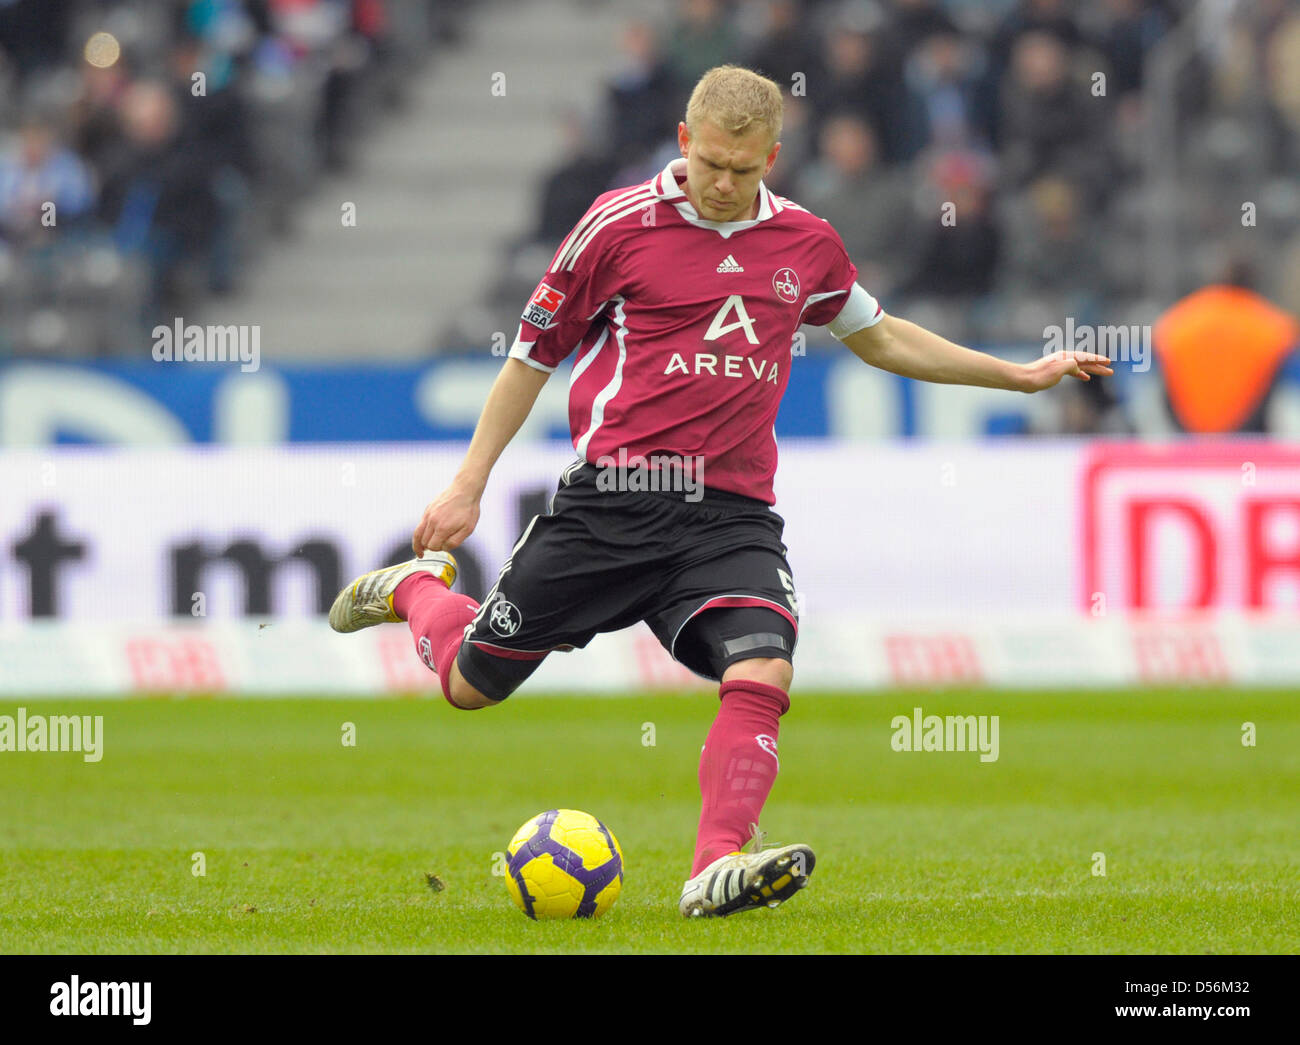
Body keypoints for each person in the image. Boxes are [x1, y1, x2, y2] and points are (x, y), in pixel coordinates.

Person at [329, 66, 1111, 918]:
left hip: (730, 516)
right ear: (684, 144)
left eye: (745, 169)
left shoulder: (807, 244)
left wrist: (1018, 375)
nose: (727, 184)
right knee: (470, 683)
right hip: (613, 504)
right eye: (712, 165)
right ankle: (413, 591)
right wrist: (467, 483)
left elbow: (879, 336)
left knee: (765, 661)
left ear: (773, 156)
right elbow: (532, 357)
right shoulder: (615, 226)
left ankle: (716, 862)